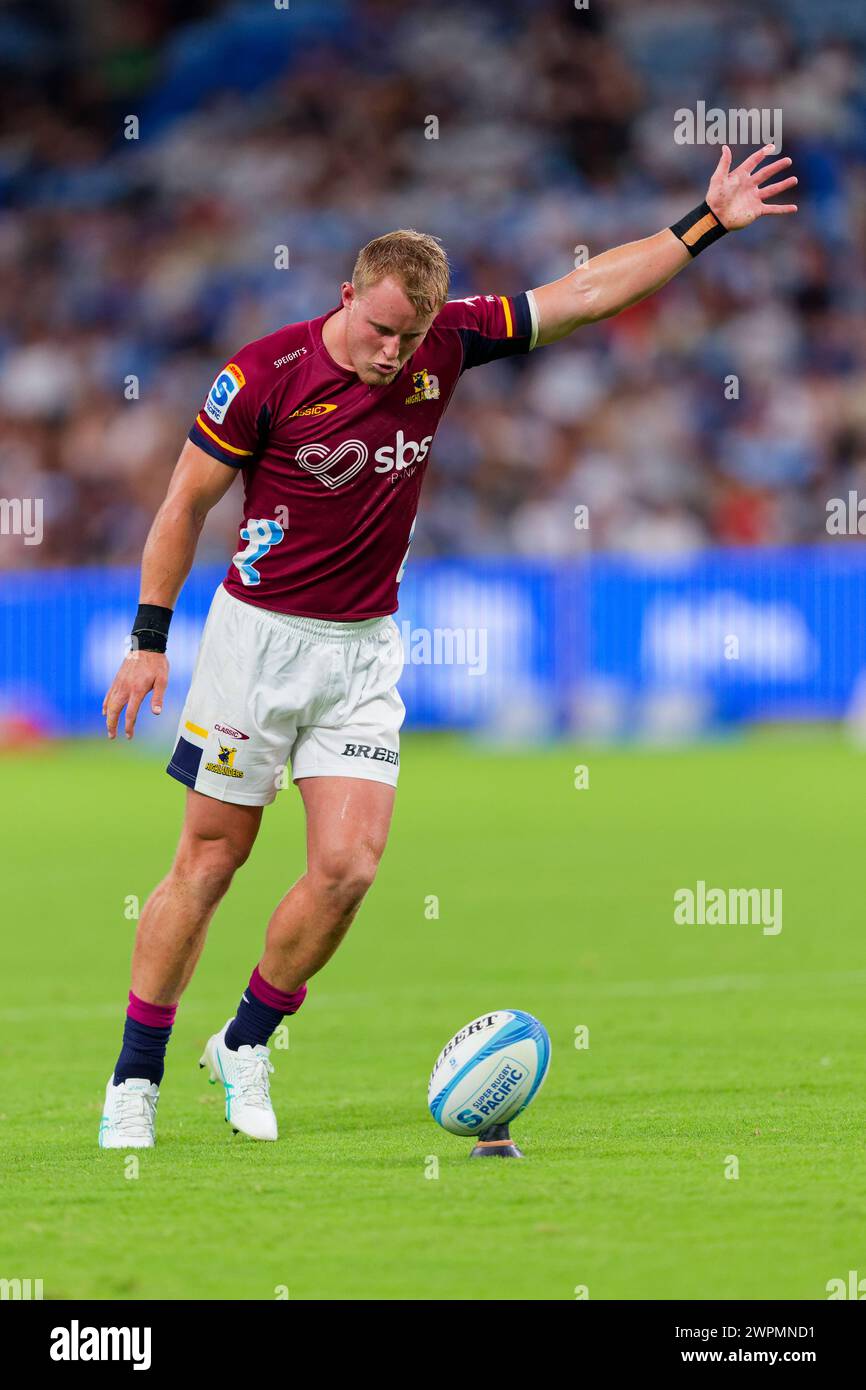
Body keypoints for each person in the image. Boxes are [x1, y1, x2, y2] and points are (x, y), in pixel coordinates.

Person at [98, 145, 797, 1147]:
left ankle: (245, 1040)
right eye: (380, 329)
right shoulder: (261, 374)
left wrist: (705, 222)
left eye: (410, 334)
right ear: (348, 295)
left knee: (348, 868)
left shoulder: (448, 343)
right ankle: (135, 1078)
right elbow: (182, 505)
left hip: (364, 647)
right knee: (210, 861)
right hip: (256, 644)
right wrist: (148, 638)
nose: (394, 352)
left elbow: (585, 293)